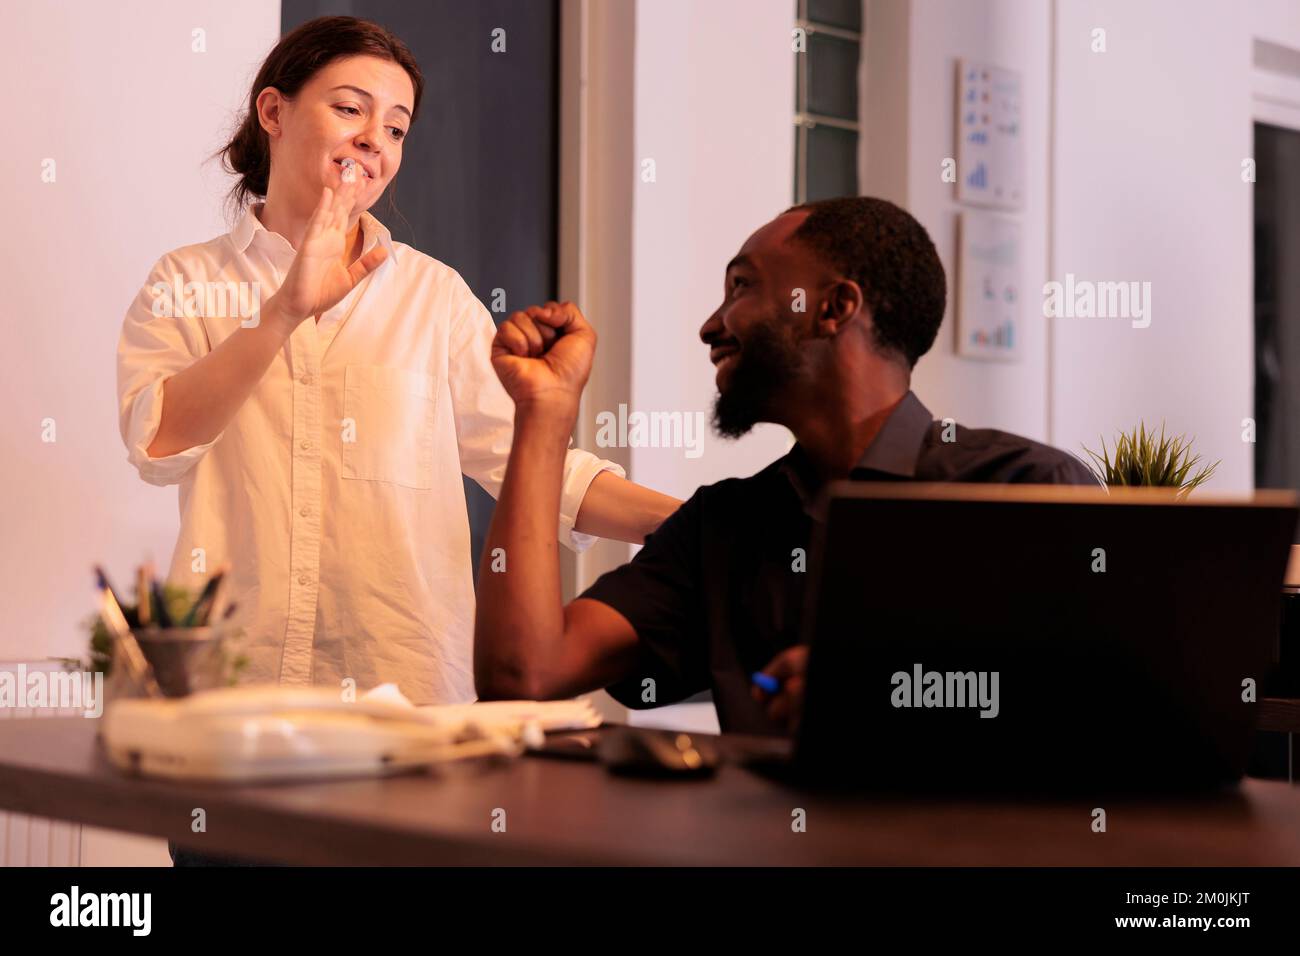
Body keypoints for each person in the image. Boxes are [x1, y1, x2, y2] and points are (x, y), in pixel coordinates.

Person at [115, 15, 681, 711]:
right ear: (274, 111)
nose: (372, 141)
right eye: (350, 108)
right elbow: (156, 441)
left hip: (406, 703)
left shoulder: (435, 297)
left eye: (396, 128)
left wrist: (707, 528)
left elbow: (539, 470)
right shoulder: (186, 280)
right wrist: (283, 312)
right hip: (232, 704)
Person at [473, 196, 1098, 736]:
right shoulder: (719, 527)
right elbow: (523, 672)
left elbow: (1119, 713)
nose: (710, 326)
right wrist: (545, 410)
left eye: (742, 287)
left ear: (833, 308)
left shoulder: (1026, 490)